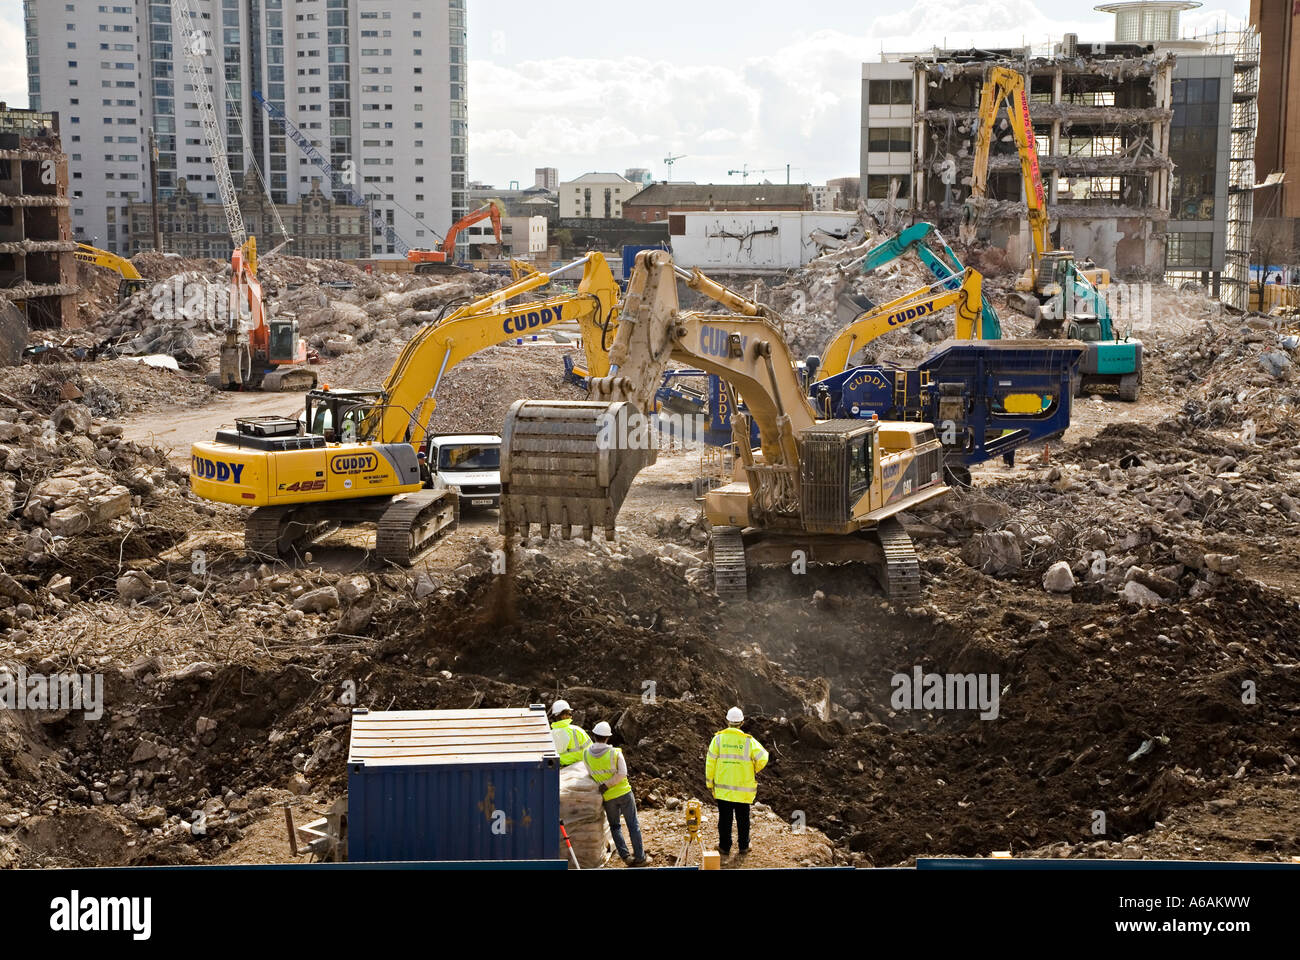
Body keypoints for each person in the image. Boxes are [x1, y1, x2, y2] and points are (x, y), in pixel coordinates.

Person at [583, 721, 650, 867]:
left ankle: (625, 857)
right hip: (624, 793)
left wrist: (604, 785)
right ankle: (640, 857)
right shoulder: (615, 753)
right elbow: (623, 773)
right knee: (633, 825)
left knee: (615, 826)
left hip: (608, 797)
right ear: (607, 737)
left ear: (594, 736)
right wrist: (609, 783)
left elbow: (591, 775)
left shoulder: (586, 754)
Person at [705, 707, 769, 859]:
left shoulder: (718, 739)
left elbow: (710, 763)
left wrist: (710, 783)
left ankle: (724, 847)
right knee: (743, 819)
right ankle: (744, 846)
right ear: (741, 722)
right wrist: (754, 768)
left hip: (723, 789)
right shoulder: (748, 741)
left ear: (727, 721)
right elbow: (763, 757)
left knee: (725, 819)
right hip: (743, 789)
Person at [549, 700, 590, 767]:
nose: (571, 716)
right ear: (564, 716)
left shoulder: (552, 733)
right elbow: (591, 750)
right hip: (581, 765)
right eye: (569, 714)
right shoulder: (577, 730)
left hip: (561, 765)